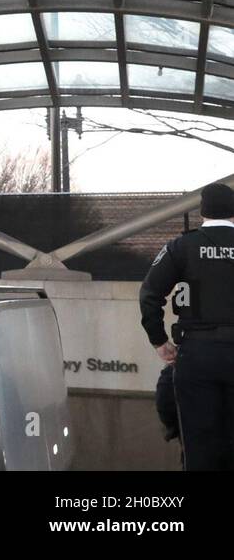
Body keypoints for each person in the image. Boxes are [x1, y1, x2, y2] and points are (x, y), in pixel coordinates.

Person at [140, 181, 234, 470]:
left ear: (202, 212)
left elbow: (149, 294)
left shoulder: (181, 246)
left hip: (197, 355)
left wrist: (159, 341)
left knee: (199, 448)